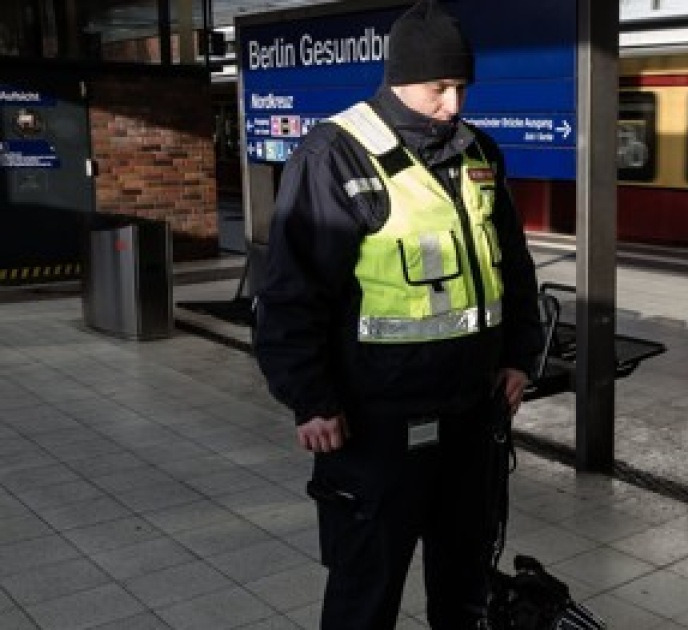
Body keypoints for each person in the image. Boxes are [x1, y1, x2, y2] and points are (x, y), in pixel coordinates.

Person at [253, 1, 542, 628]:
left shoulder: (479, 152)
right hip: (374, 426)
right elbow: (291, 291)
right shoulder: (336, 154)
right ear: (398, 78)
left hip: (472, 417)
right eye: (440, 87)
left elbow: (511, 265)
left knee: (464, 587)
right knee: (366, 593)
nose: (454, 104)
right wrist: (310, 397)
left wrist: (520, 356)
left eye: (462, 87)